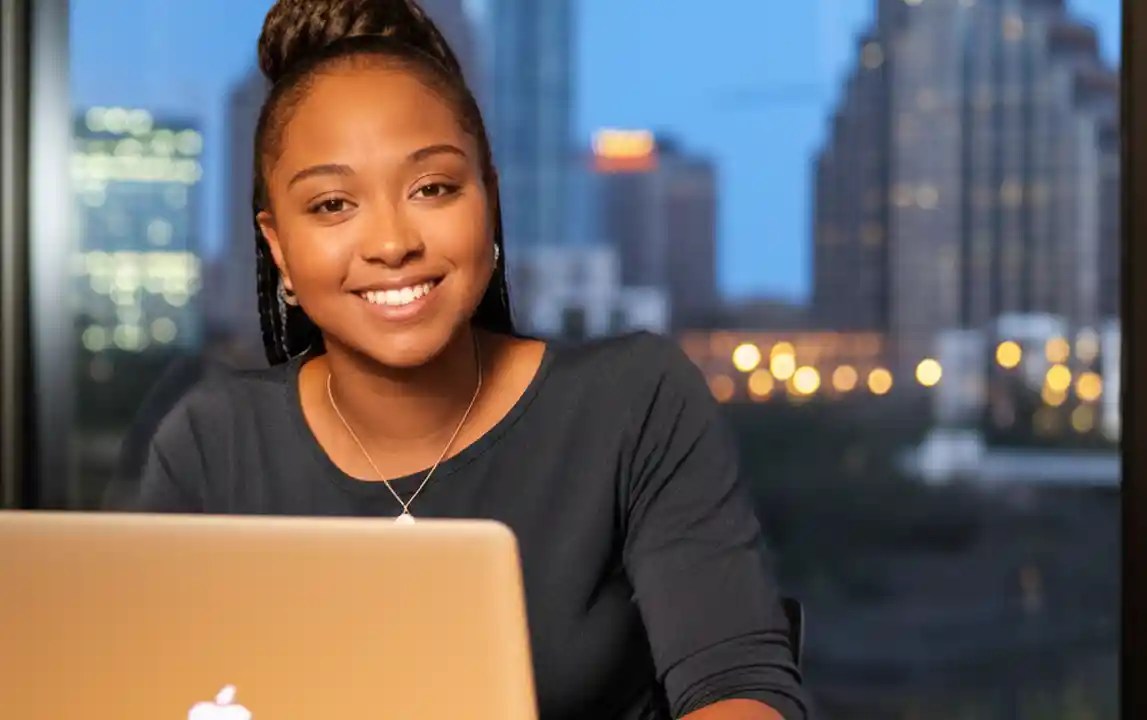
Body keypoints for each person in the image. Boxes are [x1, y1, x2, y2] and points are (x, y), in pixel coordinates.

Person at [125, 1, 807, 717]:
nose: (391, 242)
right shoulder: (211, 443)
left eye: (433, 188)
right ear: (278, 249)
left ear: (489, 202)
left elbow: (739, 686)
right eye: (331, 204)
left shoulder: (633, 403)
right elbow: (141, 689)